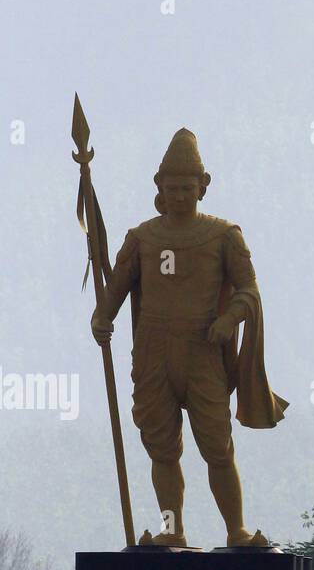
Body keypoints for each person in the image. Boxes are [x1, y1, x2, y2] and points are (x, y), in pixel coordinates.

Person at [91, 128, 286, 547]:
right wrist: (101, 318)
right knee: (162, 449)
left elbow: (249, 289)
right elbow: (116, 289)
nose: (180, 195)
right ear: (159, 186)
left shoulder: (223, 235)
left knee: (217, 445)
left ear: (203, 185)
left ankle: (236, 529)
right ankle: (172, 529)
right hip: (153, 350)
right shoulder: (142, 238)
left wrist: (230, 317)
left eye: (187, 187)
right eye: (173, 187)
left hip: (204, 348)